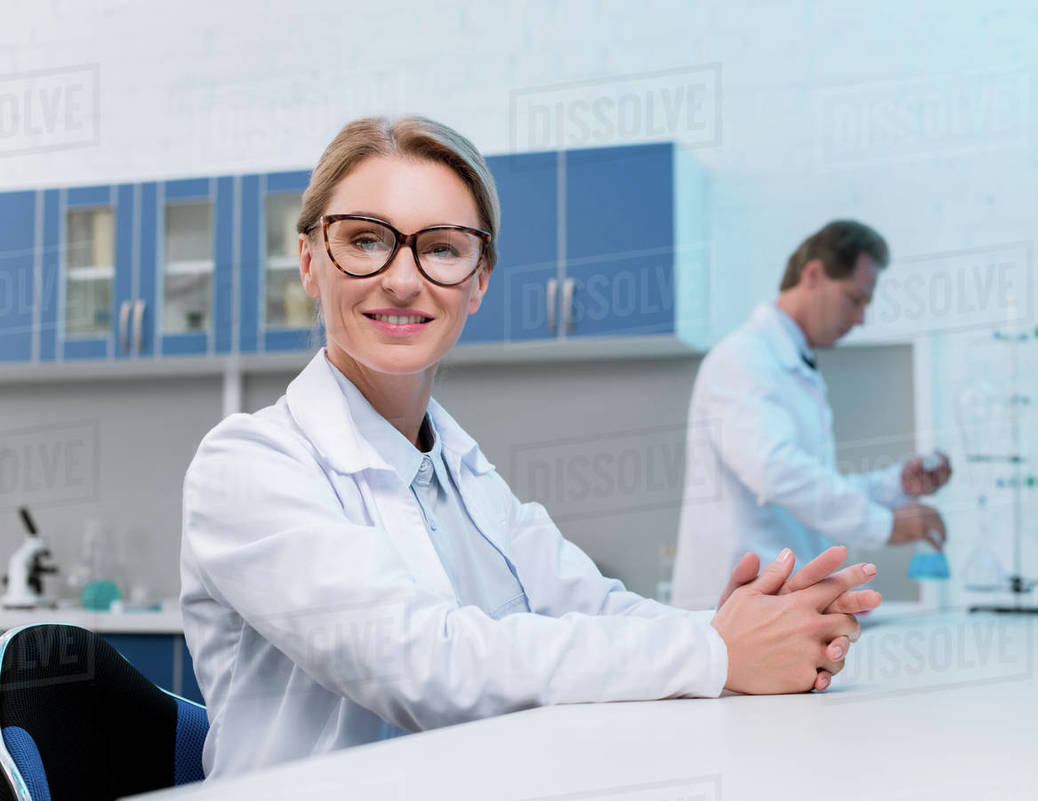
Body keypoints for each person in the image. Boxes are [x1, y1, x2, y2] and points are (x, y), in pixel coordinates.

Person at [179, 117, 883, 778]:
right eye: (366, 239)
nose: (401, 277)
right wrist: (718, 649)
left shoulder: (462, 473)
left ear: (478, 281)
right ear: (309, 261)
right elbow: (427, 665)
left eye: (443, 247)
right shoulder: (247, 465)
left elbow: (589, 603)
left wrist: (757, 628)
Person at [671, 220, 953, 610]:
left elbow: (812, 486)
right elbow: (776, 472)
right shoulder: (744, 358)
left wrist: (896, 486)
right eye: (855, 299)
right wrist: (883, 526)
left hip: (778, 604)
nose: (860, 319)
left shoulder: (794, 369)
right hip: (736, 608)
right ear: (813, 275)